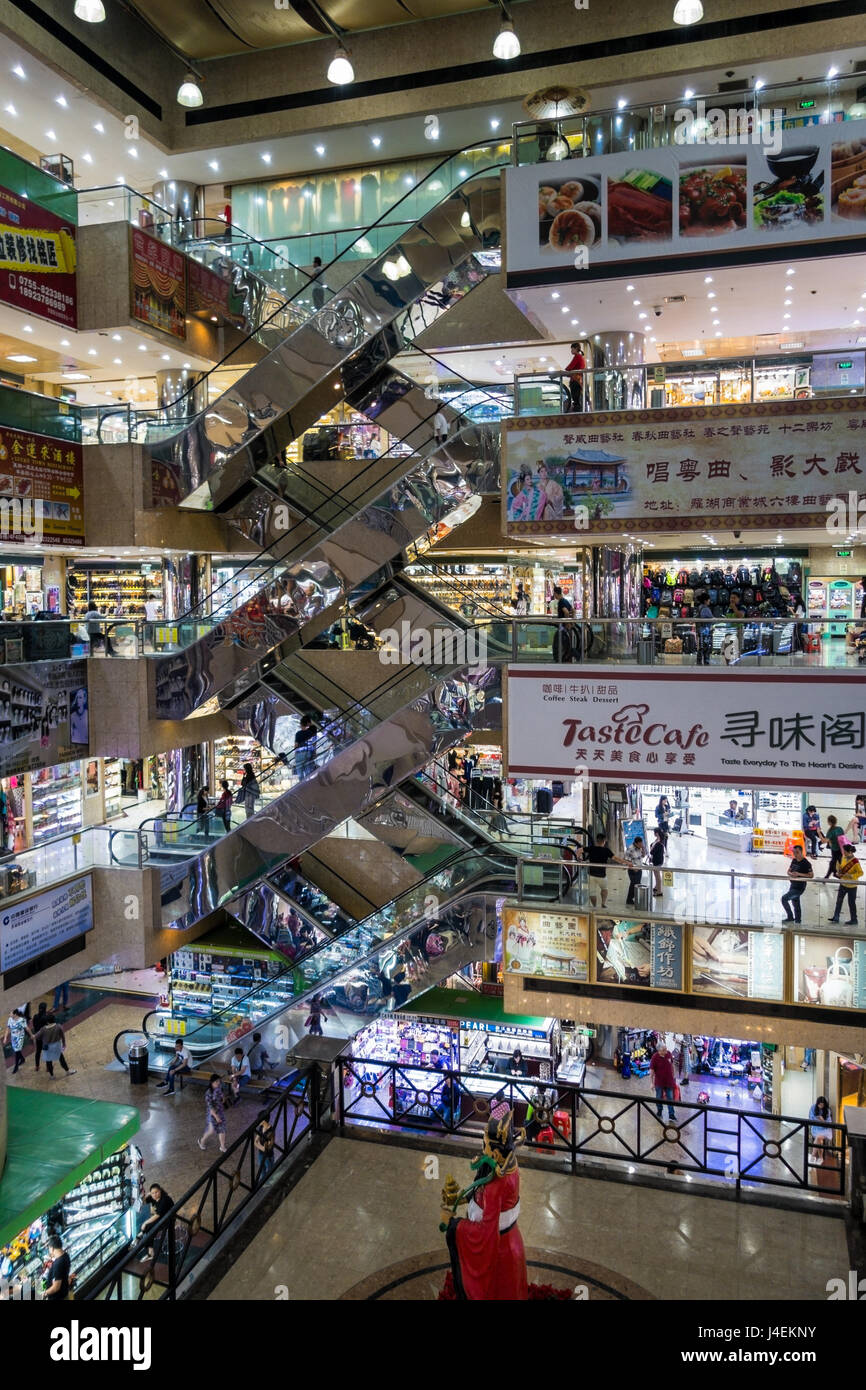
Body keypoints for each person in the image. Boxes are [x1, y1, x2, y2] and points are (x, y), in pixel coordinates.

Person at [828, 842, 863, 925]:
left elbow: (861, 873)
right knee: (839, 901)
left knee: (851, 903)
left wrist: (851, 876)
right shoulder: (843, 857)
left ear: (850, 852)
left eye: (845, 852)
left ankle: (854, 920)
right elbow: (840, 865)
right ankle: (836, 917)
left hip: (852, 885)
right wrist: (839, 870)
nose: (843, 853)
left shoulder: (855, 862)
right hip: (843, 883)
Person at [780, 842, 813, 923]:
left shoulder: (806, 863)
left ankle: (791, 917)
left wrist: (799, 874)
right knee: (795, 903)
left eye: (797, 852)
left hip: (799, 887)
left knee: (784, 899)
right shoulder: (794, 860)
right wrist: (791, 874)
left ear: (801, 852)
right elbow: (788, 871)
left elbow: (811, 875)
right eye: (794, 852)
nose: (795, 854)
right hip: (793, 885)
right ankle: (797, 920)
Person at [35, 1013, 75, 1078]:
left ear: (47, 1021)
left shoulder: (43, 1029)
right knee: (61, 1059)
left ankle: (52, 1076)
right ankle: (67, 1071)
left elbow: (36, 1036)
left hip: (47, 1047)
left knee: (49, 1061)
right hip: (56, 1046)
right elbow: (62, 1036)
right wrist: (64, 1044)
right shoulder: (58, 1026)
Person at [140, 1183, 173, 1263]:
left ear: (160, 1191)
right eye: (152, 1193)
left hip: (168, 1220)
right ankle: (147, 1245)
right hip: (161, 1217)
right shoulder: (153, 1197)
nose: (154, 1194)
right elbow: (144, 1202)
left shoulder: (164, 1200)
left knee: (148, 1227)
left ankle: (150, 1252)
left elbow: (157, 1216)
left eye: (156, 1192)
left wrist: (145, 1223)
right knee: (147, 1228)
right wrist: (146, 1195)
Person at [584, 831, 614, 908]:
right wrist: (627, 863)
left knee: (592, 892)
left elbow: (579, 850)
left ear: (597, 840)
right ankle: (603, 904)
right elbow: (616, 859)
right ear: (604, 841)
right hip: (602, 875)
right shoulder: (606, 850)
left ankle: (594, 906)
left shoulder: (591, 848)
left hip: (591, 874)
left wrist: (578, 858)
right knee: (604, 889)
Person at [199, 1075, 227, 1154]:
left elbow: (222, 1097)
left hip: (220, 1112)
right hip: (212, 1114)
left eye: (219, 1081)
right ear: (212, 1082)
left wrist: (223, 1099)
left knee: (222, 1129)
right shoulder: (208, 1093)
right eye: (216, 1082)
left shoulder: (219, 1088)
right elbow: (210, 1107)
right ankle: (202, 1141)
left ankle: (222, 1146)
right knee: (211, 1131)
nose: (218, 1083)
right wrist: (216, 1117)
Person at [650, 1043, 677, 1122]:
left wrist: (674, 1076)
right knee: (659, 1097)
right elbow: (651, 1071)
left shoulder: (668, 1054)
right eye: (663, 1050)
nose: (666, 1051)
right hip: (659, 1082)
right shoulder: (654, 1057)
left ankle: (671, 1115)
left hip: (669, 1081)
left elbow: (672, 1065)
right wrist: (651, 1083)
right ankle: (659, 1112)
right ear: (659, 1051)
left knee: (670, 1098)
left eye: (666, 1049)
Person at [4, 1008, 32, 1075]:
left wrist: (31, 1035)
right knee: (17, 1050)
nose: (9, 1014)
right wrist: (5, 1037)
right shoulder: (10, 1019)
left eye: (10, 1013)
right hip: (13, 1037)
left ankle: (16, 1066)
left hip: (20, 1037)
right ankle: (22, 1059)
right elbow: (7, 1029)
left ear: (15, 1014)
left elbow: (27, 1028)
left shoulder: (21, 1020)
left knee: (17, 1051)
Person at [42, 1237, 70, 1301]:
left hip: (58, 1297)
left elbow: (56, 1287)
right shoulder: (66, 1256)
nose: (49, 1250)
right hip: (64, 1293)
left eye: (49, 1248)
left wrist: (44, 1293)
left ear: (52, 1248)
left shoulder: (58, 1264)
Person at [551, 585, 574, 663]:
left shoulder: (561, 602)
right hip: (564, 626)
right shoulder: (565, 600)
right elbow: (573, 610)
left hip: (562, 626)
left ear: (556, 593)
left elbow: (566, 612)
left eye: (554, 594)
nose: (554, 596)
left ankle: (559, 658)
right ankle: (565, 657)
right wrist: (571, 622)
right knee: (564, 643)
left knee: (558, 641)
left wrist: (567, 622)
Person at [294, 715, 319, 779]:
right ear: (307, 724)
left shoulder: (298, 733)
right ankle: (308, 784)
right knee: (308, 772)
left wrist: (295, 754)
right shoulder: (310, 733)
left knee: (300, 774)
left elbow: (296, 745)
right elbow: (313, 744)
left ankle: (301, 785)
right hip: (308, 753)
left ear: (301, 724)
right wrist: (314, 753)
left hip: (299, 754)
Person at [821, 814, 846, 880]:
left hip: (835, 850)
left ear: (829, 822)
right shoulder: (840, 828)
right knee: (835, 863)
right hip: (841, 849)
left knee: (833, 863)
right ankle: (832, 875)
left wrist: (819, 833)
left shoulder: (831, 831)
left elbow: (824, 841)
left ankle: (828, 877)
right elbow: (843, 838)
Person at [565, 340, 586, 412]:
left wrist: (568, 371)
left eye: (572, 348)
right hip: (578, 380)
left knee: (575, 398)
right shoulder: (580, 357)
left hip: (575, 380)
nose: (571, 350)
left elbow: (569, 367)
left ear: (576, 348)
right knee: (577, 398)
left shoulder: (577, 356)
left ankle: (576, 412)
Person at [624, 835, 646, 907]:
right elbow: (626, 860)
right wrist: (634, 868)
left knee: (637, 884)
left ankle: (635, 898)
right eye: (640, 844)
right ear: (636, 843)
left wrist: (643, 848)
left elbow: (643, 856)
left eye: (641, 844)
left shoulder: (640, 847)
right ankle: (629, 899)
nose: (641, 845)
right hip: (632, 870)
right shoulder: (630, 849)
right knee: (633, 884)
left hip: (639, 869)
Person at [254, 1113, 276, 1182]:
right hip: (261, 1154)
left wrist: (260, 1146)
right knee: (262, 1171)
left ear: (264, 1121)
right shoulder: (261, 1127)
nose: (258, 1121)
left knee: (270, 1173)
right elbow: (255, 1142)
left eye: (259, 1119)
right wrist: (262, 1148)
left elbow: (268, 1147)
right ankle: (263, 1183)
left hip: (268, 1156)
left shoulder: (271, 1131)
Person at [696, 591, 714, 665]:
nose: (710, 601)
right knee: (706, 648)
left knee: (701, 647)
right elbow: (709, 619)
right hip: (705, 631)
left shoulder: (700, 607)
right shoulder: (705, 609)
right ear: (705, 600)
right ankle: (706, 662)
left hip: (701, 631)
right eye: (708, 599)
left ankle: (699, 662)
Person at [31, 1000, 49, 1067]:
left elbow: (34, 1025)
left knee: (38, 1052)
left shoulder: (35, 1016)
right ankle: (48, 1067)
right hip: (44, 1038)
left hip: (38, 1037)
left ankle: (37, 1066)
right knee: (46, 1052)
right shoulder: (45, 1018)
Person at [649, 826, 666, 896]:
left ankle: (659, 891)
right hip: (657, 860)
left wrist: (652, 848)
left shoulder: (659, 843)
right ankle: (656, 887)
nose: (653, 834)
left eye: (654, 832)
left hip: (657, 861)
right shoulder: (658, 840)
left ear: (656, 833)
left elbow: (652, 852)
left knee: (657, 876)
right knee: (656, 875)